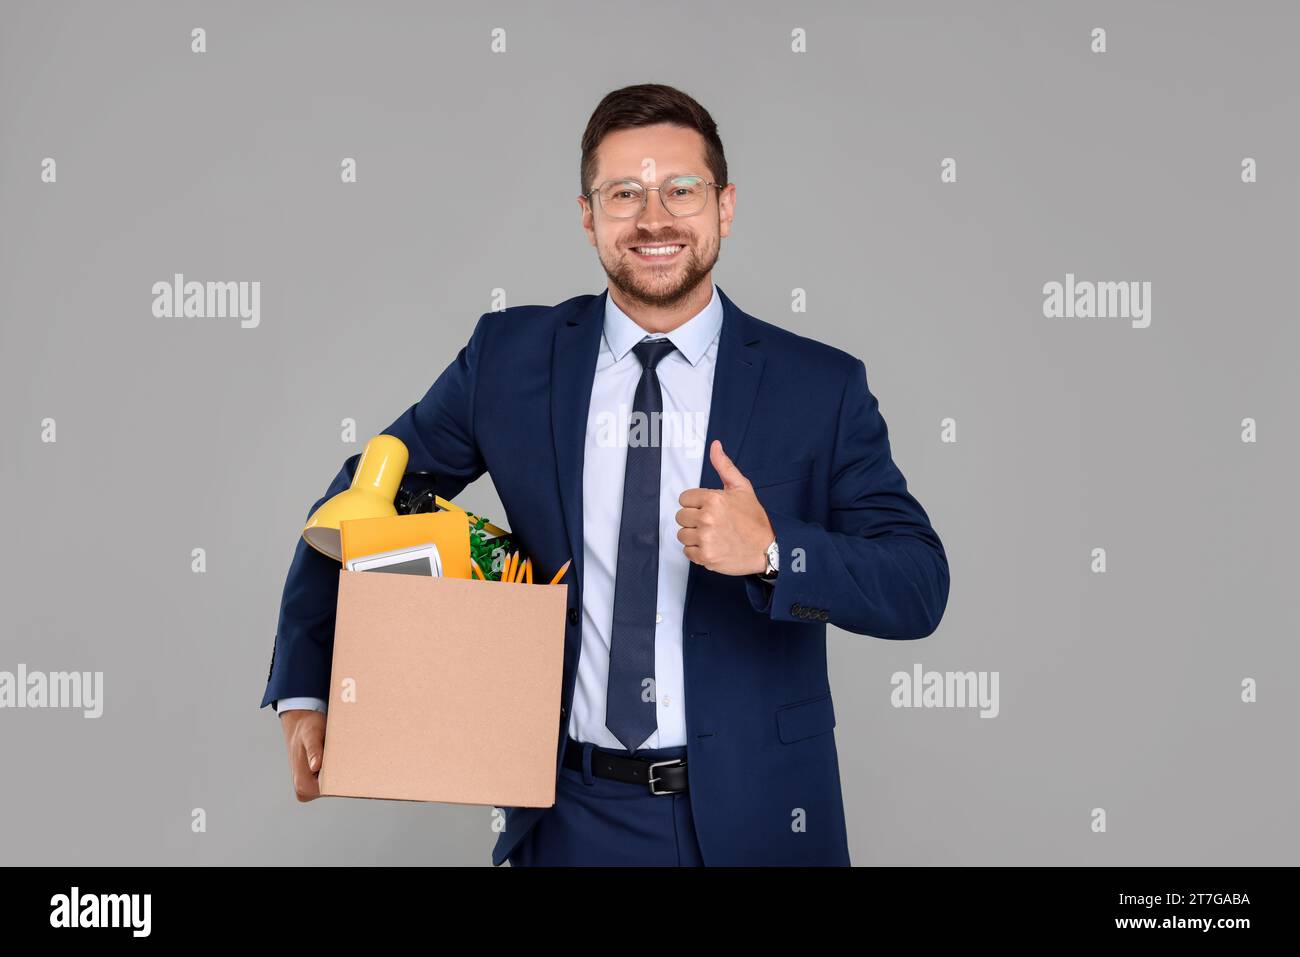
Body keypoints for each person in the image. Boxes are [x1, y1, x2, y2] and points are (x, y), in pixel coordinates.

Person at [263, 83, 950, 866]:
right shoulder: (510, 359)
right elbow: (363, 497)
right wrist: (308, 686)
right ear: (589, 216)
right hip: (566, 818)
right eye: (625, 193)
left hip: (761, 819)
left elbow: (919, 583)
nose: (654, 218)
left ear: (725, 206)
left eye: (680, 190)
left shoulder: (819, 387)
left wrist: (773, 551)